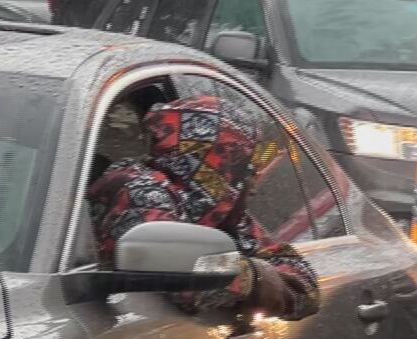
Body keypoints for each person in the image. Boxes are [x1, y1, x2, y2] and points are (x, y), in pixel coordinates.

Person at [85, 94, 320, 321]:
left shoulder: (216, 211)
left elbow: (302, 283)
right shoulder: (139, 191)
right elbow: (179, 273)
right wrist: (254, 279)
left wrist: (259, 276)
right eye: (247, 168)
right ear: (223, 162)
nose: (254, 183)